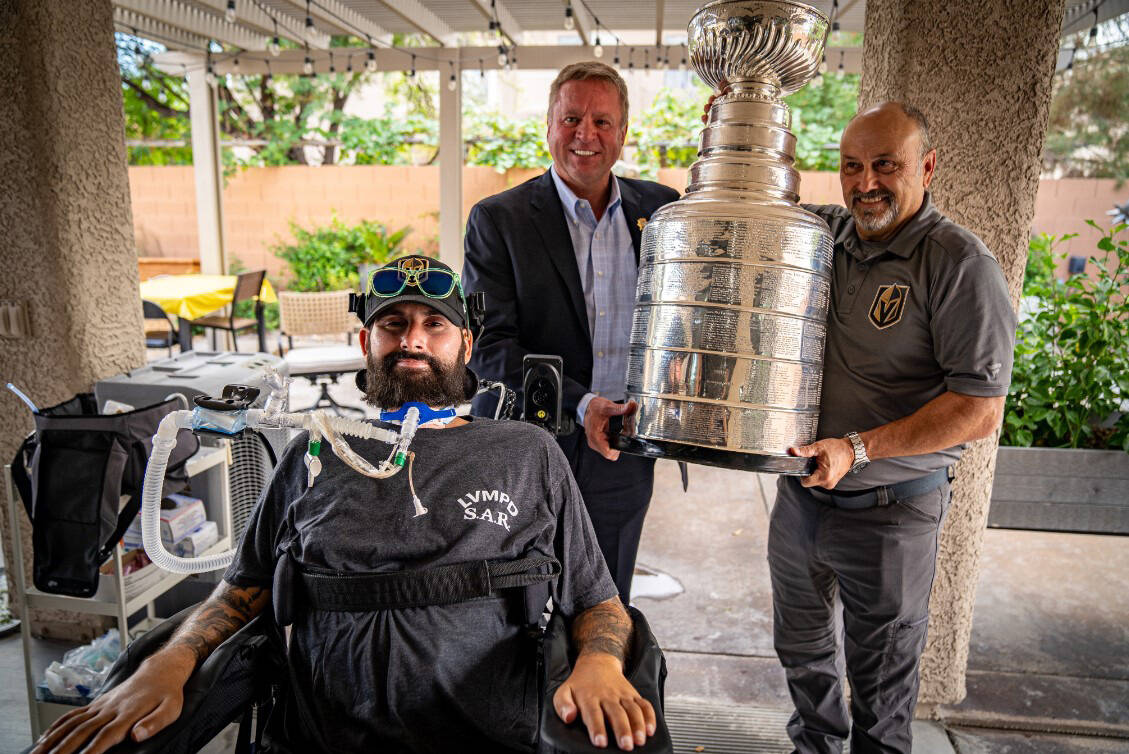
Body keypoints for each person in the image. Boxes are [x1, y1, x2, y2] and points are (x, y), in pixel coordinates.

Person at [32, 255, 657, 754]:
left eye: (433, 325)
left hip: (487, 733)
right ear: (366, 340)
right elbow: (241, 591)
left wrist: (600, 662)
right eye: (393, 324)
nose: (412, 340)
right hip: (322, 733)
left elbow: (596, 599)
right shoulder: (314, 452)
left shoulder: (525, 453)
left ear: (465, 344)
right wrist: (169, 661)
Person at [704, 98, 1016, 752]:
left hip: (890, 515)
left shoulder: (958, 264)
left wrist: (856, 448)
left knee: (880, 687)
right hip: (799, 498)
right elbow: (738, 217)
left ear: (926, 167)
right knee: (801, 650)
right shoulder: (823, 234)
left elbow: (978, 409)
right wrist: (731, 131)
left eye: (884, 165)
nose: (864, 183)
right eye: (850, 166)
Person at [463, 62, 680, 604]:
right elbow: (487, 346)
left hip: (625, 448)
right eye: (572, 118)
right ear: (549, 125)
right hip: (529, 446)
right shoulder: (498, 219)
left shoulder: (663, 210)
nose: (586, 135)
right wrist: (582, 405)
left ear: (624, 133)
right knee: (520, 603)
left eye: (603, 122)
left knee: (607, 600)